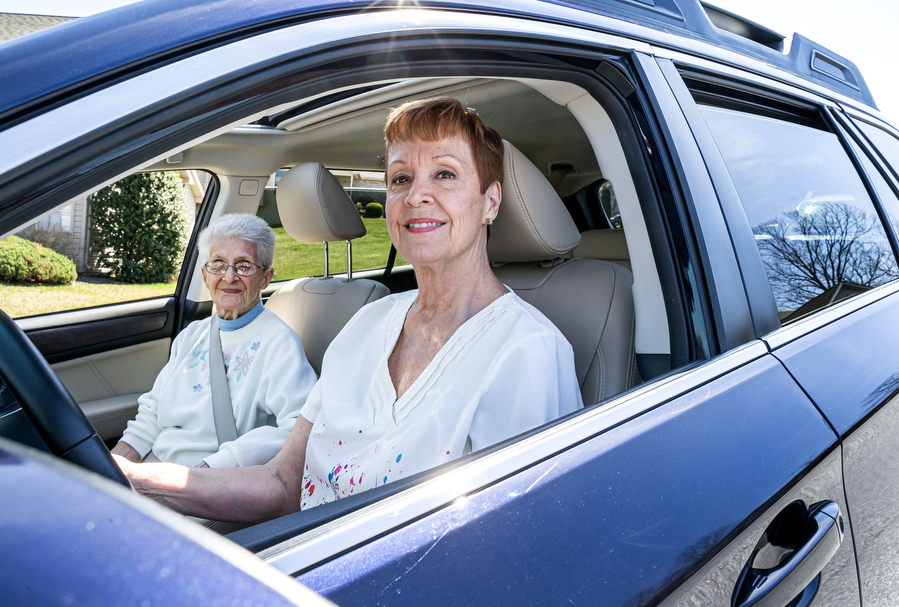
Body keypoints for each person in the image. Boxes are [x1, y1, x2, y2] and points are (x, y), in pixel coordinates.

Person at [116, 97, 582, 523]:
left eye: (445, 173)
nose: (416, 194)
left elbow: (514, 537)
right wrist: (131, 481)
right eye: (401, 178)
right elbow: (284, 484)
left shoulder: (528, 351)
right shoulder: (368, 322)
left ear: (490, 201)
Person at [111, 213, 316, 469]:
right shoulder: (191, 335)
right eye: (218, 264)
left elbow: (300, 427)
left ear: (265, 278)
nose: (229, 277)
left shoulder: (279, 343)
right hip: (156, 465)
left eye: (244, 265)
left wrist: (213, 469)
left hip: (211, 484)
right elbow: (152, 413)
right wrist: (114, 465)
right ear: (206, 276)